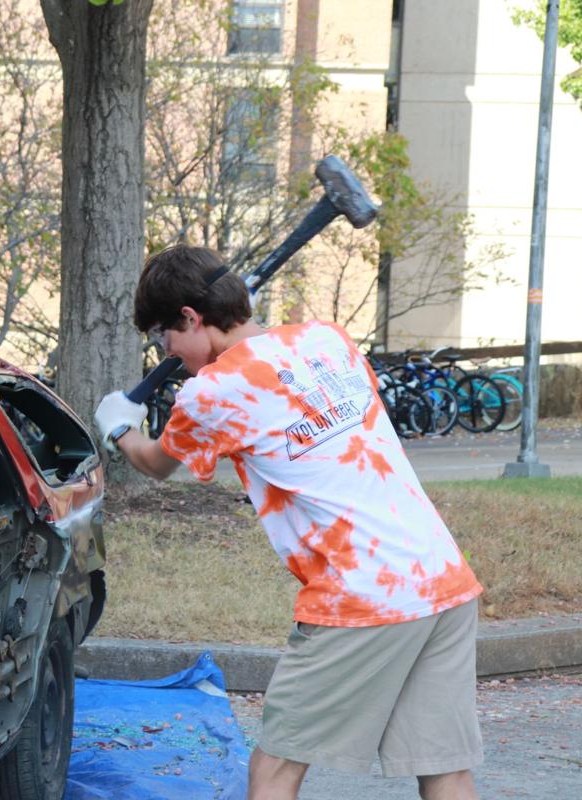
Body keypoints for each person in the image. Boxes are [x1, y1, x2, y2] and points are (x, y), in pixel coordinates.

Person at [94, 244, 484, 800]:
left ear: (191, 317)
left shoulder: (213, 391)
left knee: (275, 767)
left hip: (363, 594)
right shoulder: (327, 339)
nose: (169, 354)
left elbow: (156, 464)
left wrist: (119, 427)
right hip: (441, 576)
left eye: (164, 338)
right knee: (444, 768)